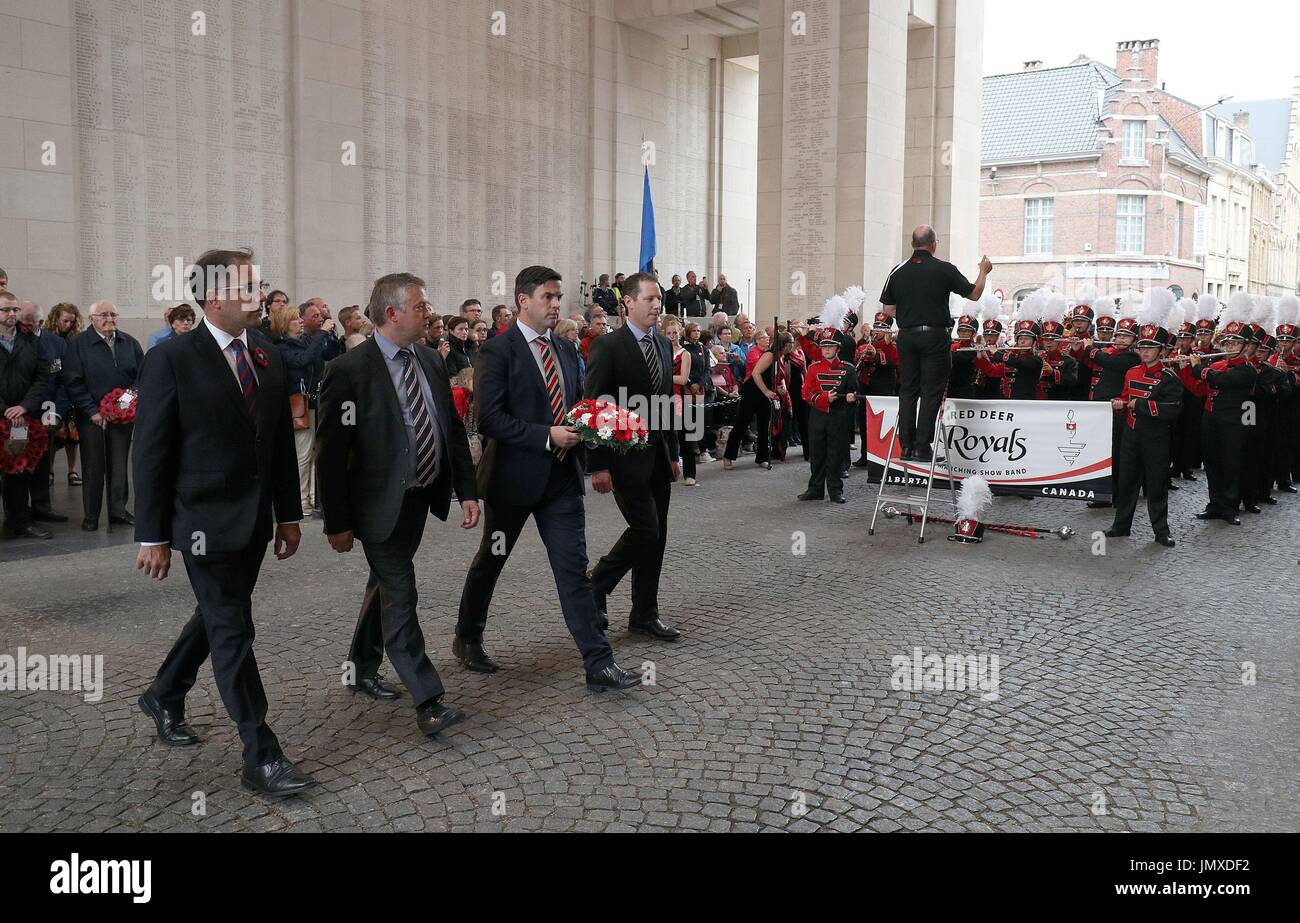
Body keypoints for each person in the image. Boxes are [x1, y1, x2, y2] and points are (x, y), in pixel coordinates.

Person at [133, 246, 314, 798]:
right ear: (214, 296)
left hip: (254, 521)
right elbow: (152, 450)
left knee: (217, 616)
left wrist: (288, 514)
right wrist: (154, 534)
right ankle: (261, 754)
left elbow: (280, 443)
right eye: (248, 287)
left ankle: (164, 692)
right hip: (202, 522)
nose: (260, 295)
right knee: (234, 628)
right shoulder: (173, 357)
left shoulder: (265, 353)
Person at [456, 265, 640, 690]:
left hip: (560, 480)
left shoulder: (563, 348)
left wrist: (598, 439)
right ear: (524, 300)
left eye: (558, 297)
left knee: (574, 571)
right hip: (512, 481)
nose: (557, 304)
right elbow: (490, 419)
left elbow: (576, 406)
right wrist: (545, 436)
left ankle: (599, 663)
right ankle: (468, 635)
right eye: (549, 297)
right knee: (492, 560)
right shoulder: (497, 352)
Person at [316, 272, 477, 738]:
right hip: (375, 505)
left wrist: (466, 491)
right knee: (401, 591)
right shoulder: (348, 370)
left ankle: (361, 666)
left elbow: (450, 431)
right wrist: (337, 522)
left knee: (384, 584)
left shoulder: (428, 359)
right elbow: (330, 455)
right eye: (422, 307)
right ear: (392, 313)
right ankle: (428, 700)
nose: (430, 313)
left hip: (419, 499)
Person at [585, 271, 683, 641]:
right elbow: (593, 405)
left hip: (658, 456)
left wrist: (673, 453)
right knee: (646, 529)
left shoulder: (661, 344)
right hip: (623, 457)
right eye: (649, 299)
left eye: (659, 299)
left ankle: (645, 613)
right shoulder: (608, 347)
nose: (657, 305)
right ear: (627, 302)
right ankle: (596, 585)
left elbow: (663, 406)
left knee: (657, 537)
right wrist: (597, 464)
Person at [879, 225, 992, 461]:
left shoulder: (897, 271)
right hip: (934, 335)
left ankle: (906, 446)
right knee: (931, 391)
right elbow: (974, 294)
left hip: (907, 336)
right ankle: (922, 447)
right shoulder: (943, 269)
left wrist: (911, 313)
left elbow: (887, 310)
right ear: (933, 244)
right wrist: (983, 271)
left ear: (912, 244)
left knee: (908, 390)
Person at [63, 300, 144, 532]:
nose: (110, 318)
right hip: (92, 418)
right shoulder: (78, 344)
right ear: (92, 319)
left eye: (113, 314)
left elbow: (141, 375)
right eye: (104, 314)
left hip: (122, 417)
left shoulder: (129, 342)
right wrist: (93, 411)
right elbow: (73, 381)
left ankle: (118, 511)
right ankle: (91, 515)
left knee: (119, 466)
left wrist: (128, 400)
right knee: (93, 466)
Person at [1105, 318, 1183, 547]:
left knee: (1156, 485)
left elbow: (1174, 410)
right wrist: (1119, 403)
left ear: (1161, 350)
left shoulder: (1169, 378)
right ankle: (1121, 525)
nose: (1145, 351)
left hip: (1156, 438)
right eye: (1142, 347)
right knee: (1127, 482)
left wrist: (1139, 405)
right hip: (1131, 434)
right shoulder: (1131, 372)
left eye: (1150, 347)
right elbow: (1126, 396)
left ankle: (1161, 531)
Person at [1192, 300, 1256, 525]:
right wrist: (1186, 369)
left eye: (1235, 342)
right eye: (1227, 342)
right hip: (1210, 418)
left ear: (1246, 345)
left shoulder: (1248, 370)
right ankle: (1215, 503)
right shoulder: (1217, 365)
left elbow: (1221, 379)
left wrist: (1199, 368)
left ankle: (1229, 506)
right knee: (1212, 462)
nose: (1229, 347)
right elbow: (1198, 388)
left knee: (1230, 463)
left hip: (1233, 422)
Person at [0, 291, 52, 540]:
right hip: (4, 414)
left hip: (20, 419)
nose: (11, 314)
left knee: (17, 469)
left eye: (13, 309)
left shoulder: (29, 338)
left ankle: (19, 520)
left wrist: (23, 407)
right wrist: (5, 410)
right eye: (5, 310)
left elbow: (42, 376)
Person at [270, 305, 331, 516]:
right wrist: (321, 333)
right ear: (285, 325)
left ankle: (311, 496)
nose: (301, 322)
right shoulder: (281, 347)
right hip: (295, 403)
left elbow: (318, 362)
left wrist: (321, 336)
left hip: (310, 401)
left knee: (313, 452)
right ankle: (300, 499)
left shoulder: (304, 342)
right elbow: (301, 361)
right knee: (302, 454)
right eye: (296, 319)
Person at [17, 301, 68, 525]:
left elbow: (64, 382)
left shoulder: (57, 344)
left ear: (41, 322)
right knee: (16, 463)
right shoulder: (13, 340)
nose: (24, 327)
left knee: (42, 463)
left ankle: (41, 506)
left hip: (46, 414)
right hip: (18, 417)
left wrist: (56, 413)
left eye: (29, 323)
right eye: (21, 323)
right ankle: (18, 512)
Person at [798, 333, 856, 504]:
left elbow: (854, 392)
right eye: (824, 347)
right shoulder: (813, 368)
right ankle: (815, 489)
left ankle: (835, 491)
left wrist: (851, 398)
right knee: (816, 454)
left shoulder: (849, 369)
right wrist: (824, 399)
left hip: (838, 417)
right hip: (817, 416)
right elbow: (806, 393)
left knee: (835, 455)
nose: (827, 350)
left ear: (838, 349)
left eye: (830, 346)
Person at [723, 330, 787, 471]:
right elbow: (756, 373)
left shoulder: (780, 357)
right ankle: (728, 455)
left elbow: (774, 375)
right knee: (742, 423)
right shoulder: (769, 355)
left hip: (766, 394)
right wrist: (765, 390)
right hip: (753, 392)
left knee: (764, 426)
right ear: (784, 345)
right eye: (790, 343)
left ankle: (762, 457)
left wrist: (779, 388)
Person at [662, 315, 696, 486]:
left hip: (680, 397)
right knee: (667, 436)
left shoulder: (685, 354)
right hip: (662, 397)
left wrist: (663, 376)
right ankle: (669, 469)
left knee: (685, 436)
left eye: (675, 332)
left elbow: (683, 379)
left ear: (680, 333)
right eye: (669, 333)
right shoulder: (660, 351)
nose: (672, 336)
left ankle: (690, 473)